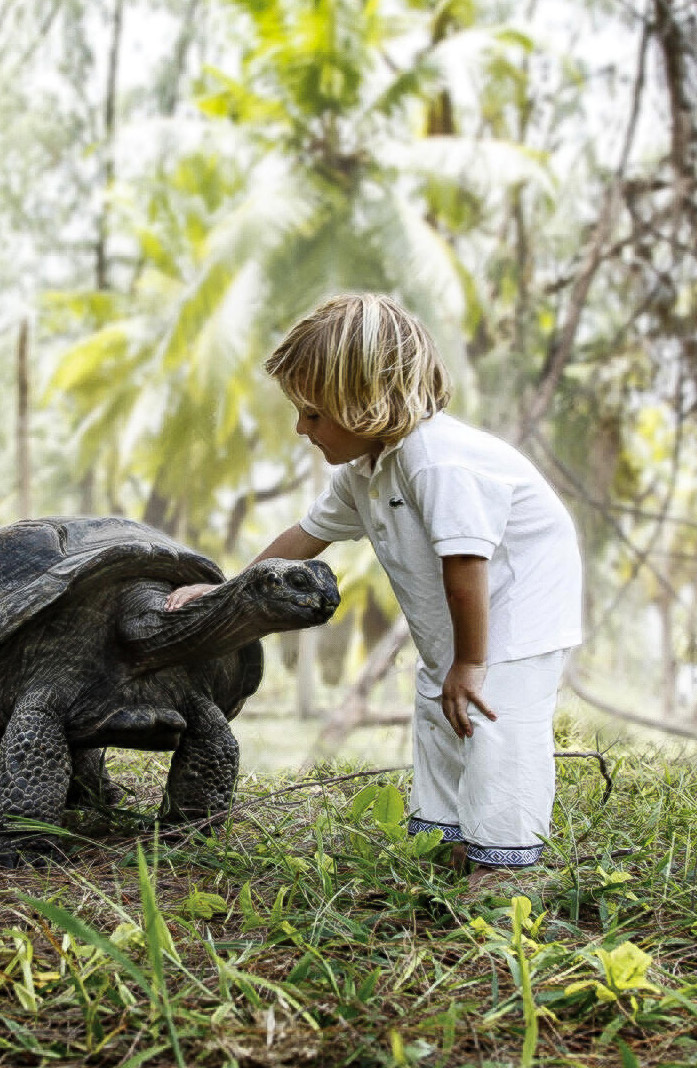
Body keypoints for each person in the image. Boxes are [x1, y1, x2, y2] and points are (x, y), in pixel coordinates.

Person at [166, 293, 584, 893]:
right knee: (441, 715)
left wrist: (470, 661)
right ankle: (451, 842)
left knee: (497, 727)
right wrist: (228, 592)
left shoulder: (436, 459)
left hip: (518, 617)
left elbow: (467, 560)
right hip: (459, 627)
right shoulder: (365, 472)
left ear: (365, 404)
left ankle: (507, 867)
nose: (301, 429)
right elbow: (304, 536)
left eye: (313, 415)